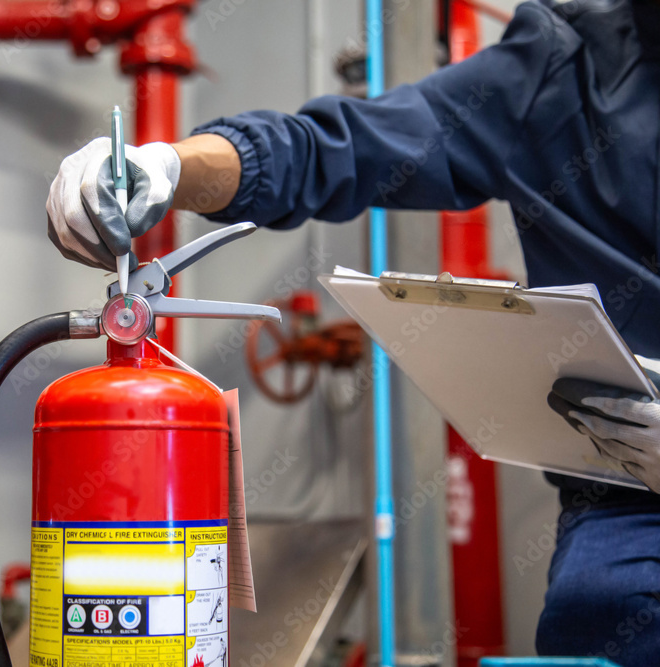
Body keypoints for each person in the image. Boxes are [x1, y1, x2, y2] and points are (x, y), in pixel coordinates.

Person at [46, 0, 660, 664]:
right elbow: (334, 148)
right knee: (604, 611)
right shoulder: (561, 67)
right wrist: (169, 167)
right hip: (628, 500)